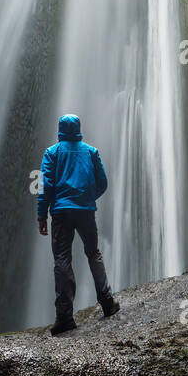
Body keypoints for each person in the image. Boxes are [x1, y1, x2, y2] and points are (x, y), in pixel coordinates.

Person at [37, 113, 120, 336]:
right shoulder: (91, 152)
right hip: (85, 212)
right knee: (94, 253)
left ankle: (65, 317)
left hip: (61, 213)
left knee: (62, 259)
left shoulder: (51, 153)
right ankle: (107, 302)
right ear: (79, 129)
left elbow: (43, 186)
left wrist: (41, 215)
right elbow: (103, 182)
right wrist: (87, 197)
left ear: (60, 129)